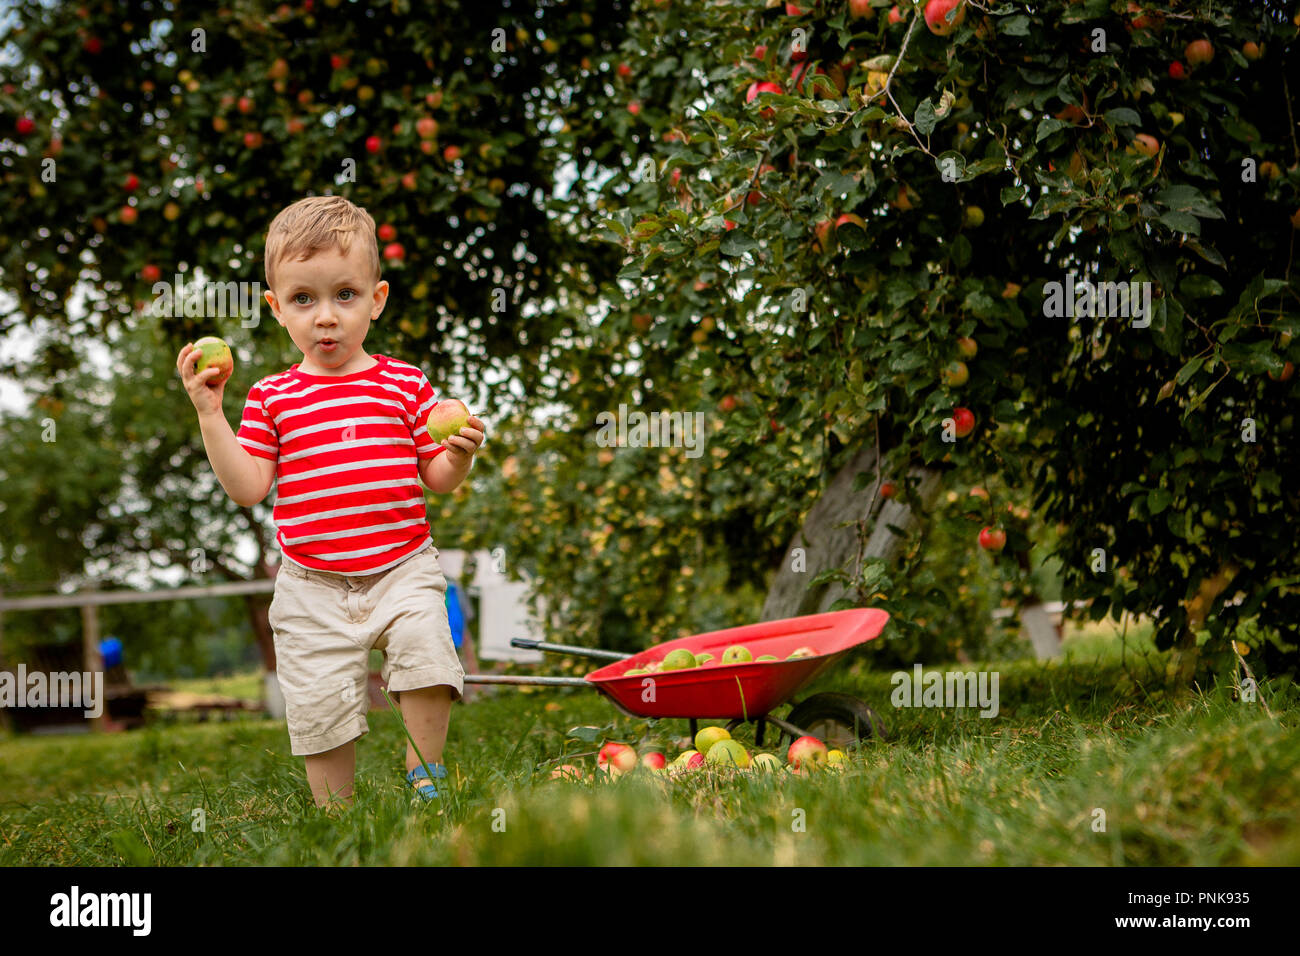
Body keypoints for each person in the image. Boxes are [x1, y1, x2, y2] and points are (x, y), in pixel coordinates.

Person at [176, 195, 485, 807]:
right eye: (303, 299)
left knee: (427, 652)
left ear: (377, 299)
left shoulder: (404, 383)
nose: (325, 317)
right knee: (318, 697)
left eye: (345, 295)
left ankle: (426, 777)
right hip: (311, 581)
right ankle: (334, 812)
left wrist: (460, 454)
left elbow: (435, 475)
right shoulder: (271, 397)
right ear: (276, 309)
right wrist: (211, 415)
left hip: (401, 564)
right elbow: (248, 487)